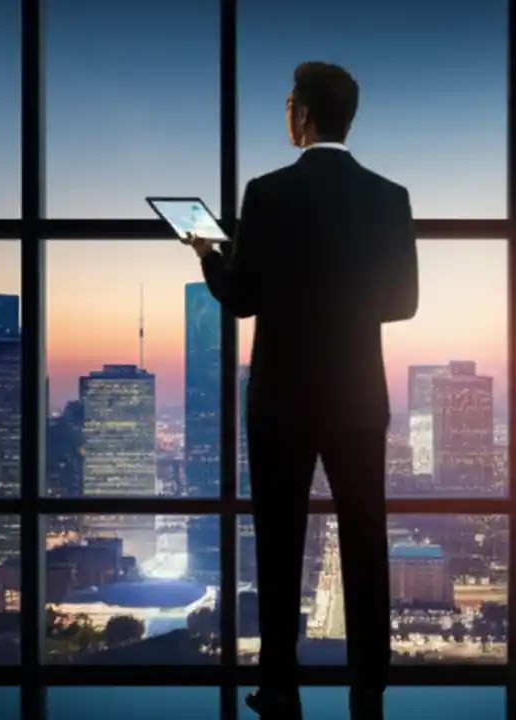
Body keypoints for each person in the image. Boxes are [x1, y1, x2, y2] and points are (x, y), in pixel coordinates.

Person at [190, 61, 418, 719]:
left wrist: (208, 252)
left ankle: (281, 684)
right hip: (355, 398)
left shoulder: (267, 193)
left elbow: (241, 299)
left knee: (280, 541)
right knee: (366, 540)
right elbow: (403, 302)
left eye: (289, 103)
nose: (286, 114)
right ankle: (370, 684)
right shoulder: (389, 196)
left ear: (306, 115)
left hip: (281, 402)